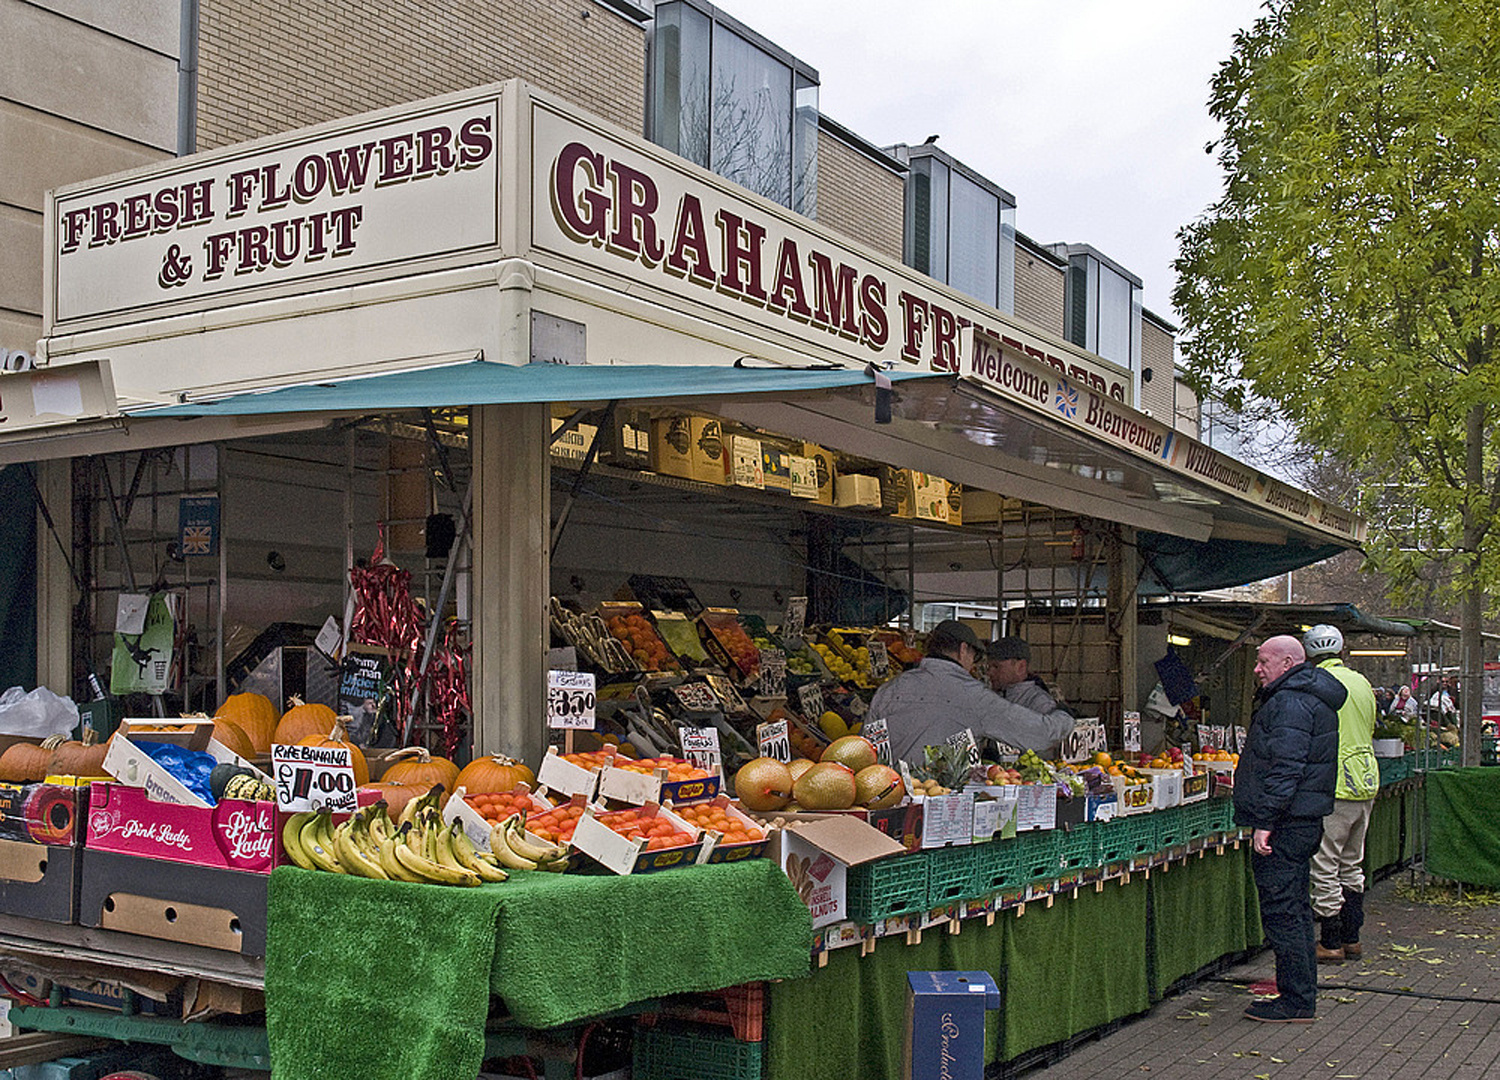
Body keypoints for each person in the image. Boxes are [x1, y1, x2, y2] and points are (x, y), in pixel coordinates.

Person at [1233, 634, 1344, 1024]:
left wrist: (1266, 821)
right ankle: (1299, 994)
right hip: (1301, 820)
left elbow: (1285, 768)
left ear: (1287, 663)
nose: (1258, 669)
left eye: (1263, 662)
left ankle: (1296, 1000)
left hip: (1287, 823)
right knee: (1294, 908)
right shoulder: (1309, 697)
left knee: (1284, 912)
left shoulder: (1290, 702)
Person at [869, 620, 1075, 765]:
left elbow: (867, 749)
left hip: (887, 800)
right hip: (941, 805)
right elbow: (1038, 735)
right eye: (974, 657)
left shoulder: (889, 689)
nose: (973, 666)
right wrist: (1064, 716)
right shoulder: (974, 696)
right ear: (963, 650)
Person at [1302, 625, 1379, 964]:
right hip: (1366, 779)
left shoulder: (1317, 684)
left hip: (1334, 784)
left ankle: (1330, 941)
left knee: (1325, 863)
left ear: (1309, 655)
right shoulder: (1362, 682)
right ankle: (1353, 939)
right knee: (1352, 862)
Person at [985, 637, 1072, 717]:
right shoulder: (992, 697)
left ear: (1021, 667)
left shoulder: (1040, 703)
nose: (989, 673)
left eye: (996, 667)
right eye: (989, 667)